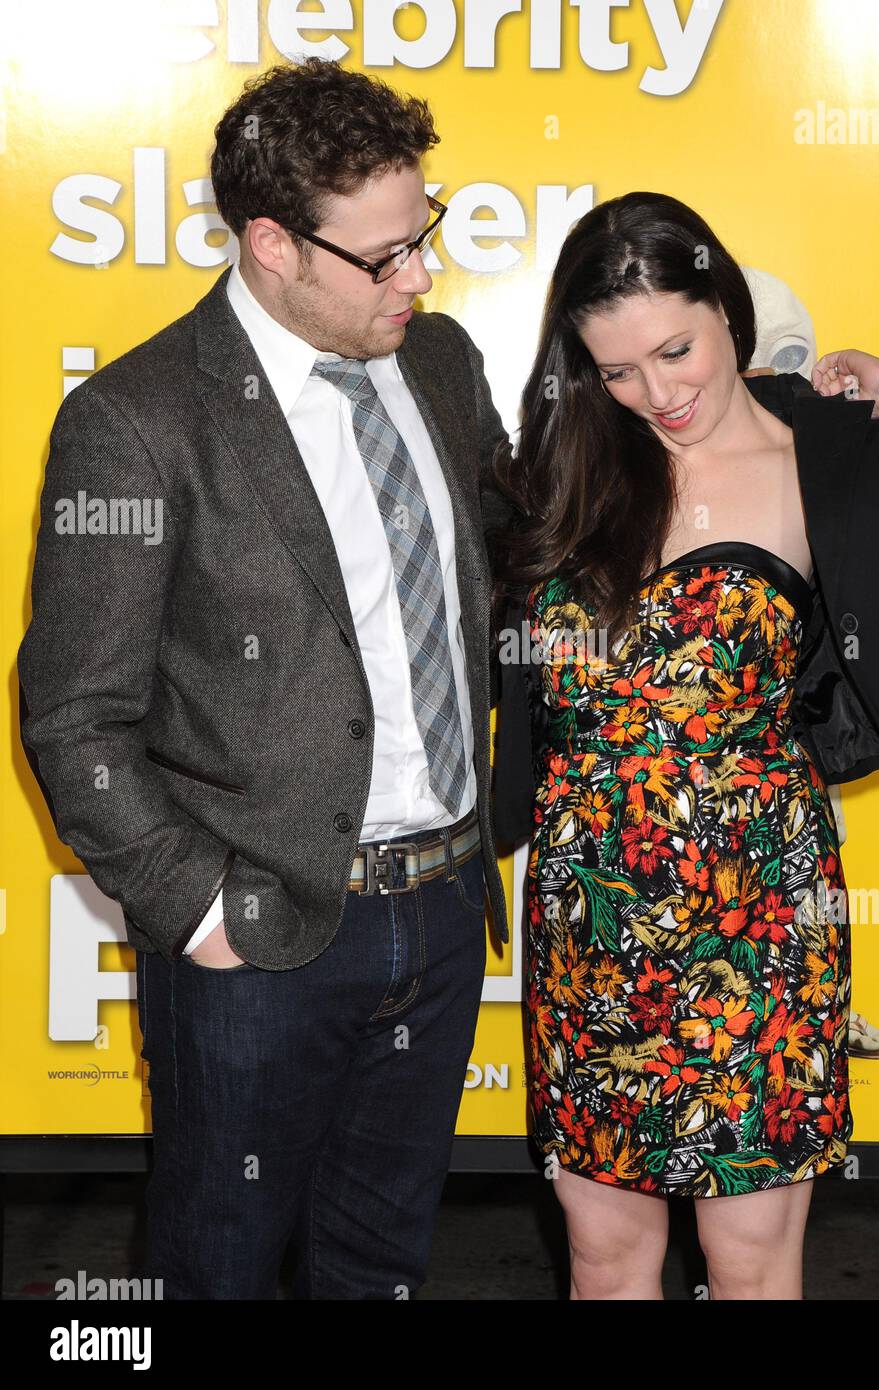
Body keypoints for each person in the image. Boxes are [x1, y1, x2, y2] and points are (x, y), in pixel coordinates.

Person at [488, 191, 879, 1300]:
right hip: (589, 916)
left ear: (727, 306)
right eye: (618, 371)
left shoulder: (841, 458)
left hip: (759, 913)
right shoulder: (567, 468)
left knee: (753, 1258)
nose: (658, 393)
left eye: (676, 349)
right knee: (605, 1254)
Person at [17, 57, 512, 1299]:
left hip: (445, 905)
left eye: (426, 235)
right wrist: (200, 912)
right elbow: (74, 712)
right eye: (386, 255)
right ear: (273, 245)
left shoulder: (442, 362)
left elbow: (522, 558)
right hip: (262, 936)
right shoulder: (136, 419)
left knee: (382, 1263)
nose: (422, 274)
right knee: (219, 1265)